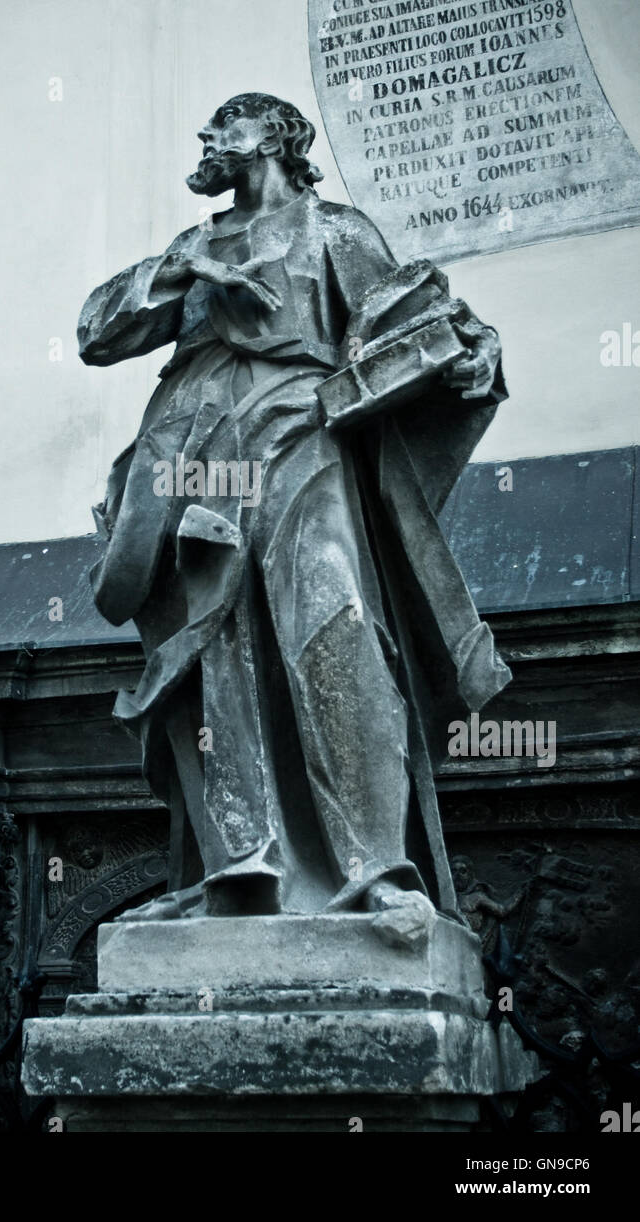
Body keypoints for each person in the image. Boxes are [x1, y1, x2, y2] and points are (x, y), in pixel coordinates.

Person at [77, 92, 509, 929]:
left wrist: (472, 351)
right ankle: (237, 871)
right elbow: (98, 333)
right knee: (215, 653)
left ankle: (376, 866)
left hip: (303, 430)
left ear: (274, 138)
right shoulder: (196, 245)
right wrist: (183, 271)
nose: (206, 136)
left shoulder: (333, 230)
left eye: (226, 123)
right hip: (191, 452)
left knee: (333, 622)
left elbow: (411, 324)